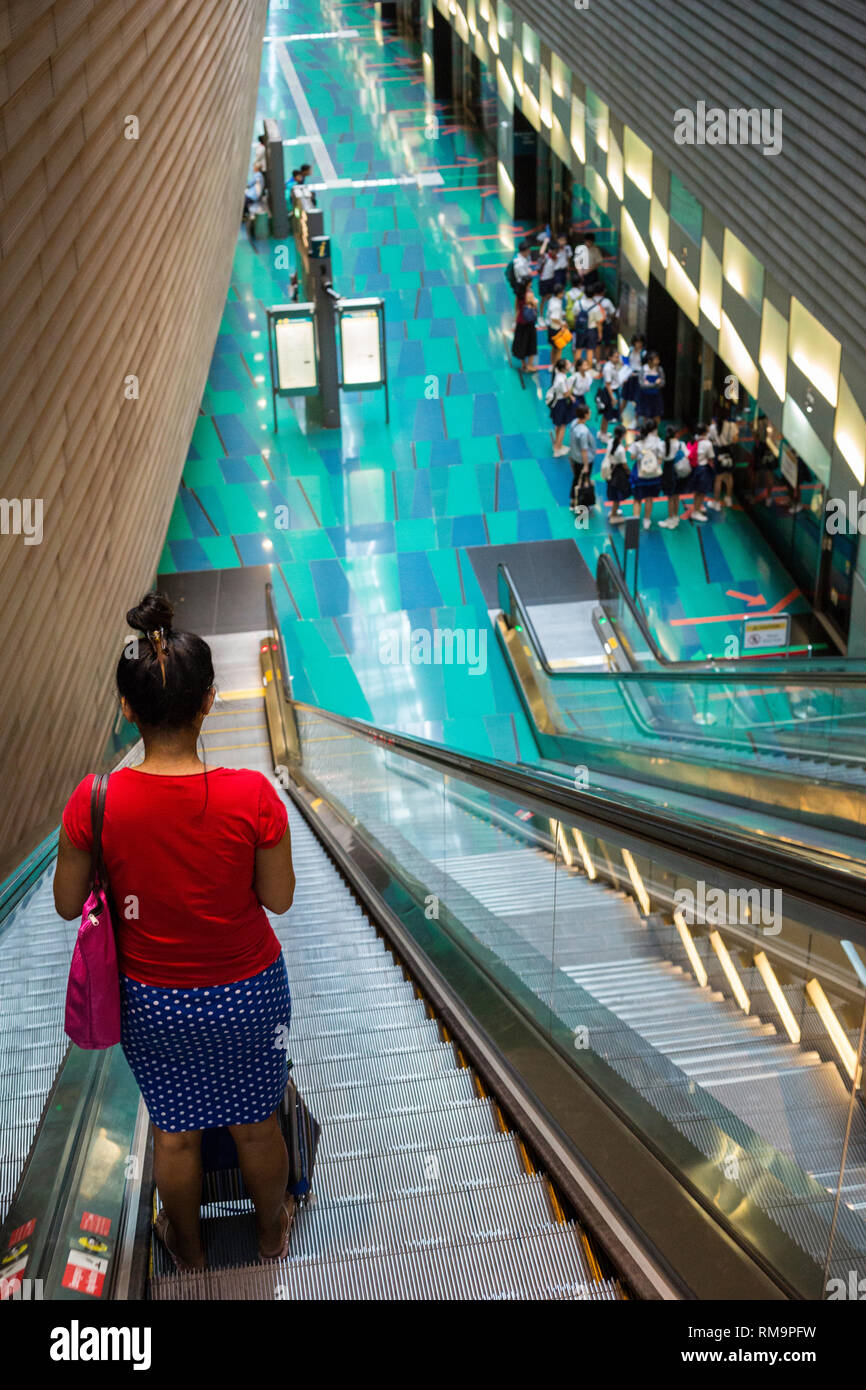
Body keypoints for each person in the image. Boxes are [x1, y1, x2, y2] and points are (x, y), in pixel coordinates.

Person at [53, 593, 296, 1273]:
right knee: (256, 1123)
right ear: (211, 701)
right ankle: (272, 1233)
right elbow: (279, 898)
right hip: (250, 994)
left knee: (176, 1133)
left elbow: (68, 905)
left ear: (126, 709)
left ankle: (187, 1251)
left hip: (154, 1002)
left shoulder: (93, 801)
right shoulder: (252, 796)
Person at [629, 422, 665, 529]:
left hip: (640, 474)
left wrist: (641, 456)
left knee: (637, 499)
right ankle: (647, 520)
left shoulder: (638, 441)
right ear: (653, 429)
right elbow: (660, 458)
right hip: (653, 475)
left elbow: (632, 457)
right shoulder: (658, 441)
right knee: (649, 498)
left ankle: (635, 521)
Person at [659, 426, 689, 529]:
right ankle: (675, 517)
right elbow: (687, 455)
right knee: (676, 495)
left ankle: (670, 519)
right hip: (679, 471)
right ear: (676, 434)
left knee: (670, 496)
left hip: (668, 470)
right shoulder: (681, 444)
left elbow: (660, 458)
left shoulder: (663, 444)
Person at [568, 403, 597, 511]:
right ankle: (582, 504)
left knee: (576, 479)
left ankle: (573, 502)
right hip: (584, 460)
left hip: (575, 457)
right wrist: (586, 465)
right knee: (584, 482)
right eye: (589, 412)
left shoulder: (574, 423)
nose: (591, 413)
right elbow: (584, 450)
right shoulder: (583, 432)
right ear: (585, 415)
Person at [601, 424, 631, 523]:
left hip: (611, 470)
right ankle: (613, 515)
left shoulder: (610, 442)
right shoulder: (621, 450)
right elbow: (624, 464)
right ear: (623, 435)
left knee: (614, 493)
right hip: (619, 473)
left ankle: (613, 511)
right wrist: (629, 473)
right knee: (618, 495)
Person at [546, 358, 575, 457]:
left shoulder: (559, 375)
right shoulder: (561, 379)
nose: (570, 364)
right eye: (568, 363)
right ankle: (557, 449)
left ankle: (557, 444)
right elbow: (565, 393)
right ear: (563, 368)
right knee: (563, 425)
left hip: (558, 402)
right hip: (561, 404)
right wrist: (572, 384)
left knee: (558, 425)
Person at [511, 285, 539, 374]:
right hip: (529, 324)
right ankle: (530, 365)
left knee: (521, 344)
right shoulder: (530, 295)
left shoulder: (518, 295)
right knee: (531, 344)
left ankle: (523, 364)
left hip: (520, 323)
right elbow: (534, 307)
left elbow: (517, 308)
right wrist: (535, 303)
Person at [690, 424, 715, 518]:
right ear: (705, 431)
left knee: (697, 491)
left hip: (695, 468)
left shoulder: (694, 439)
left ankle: (696, 508)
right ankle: (696, 511)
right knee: (702, 492)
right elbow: (711, 458)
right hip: (703, 470)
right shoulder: (707, 443)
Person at [638, 352, 666, 426]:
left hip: (656, 396)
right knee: (646, 415)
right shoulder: (643, 369)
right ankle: (646, 432)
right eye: (656, 360)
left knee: (657, 415)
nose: (658, 361)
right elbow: (642, 385)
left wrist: (649, 384)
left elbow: (662, 383)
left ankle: (655, 432)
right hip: (645, 396)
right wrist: (655, 384)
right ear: (650, 361)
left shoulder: (659, 369)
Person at [546, 282, 569, 368]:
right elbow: (554, 318)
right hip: (556, 329)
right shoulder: (556, 305)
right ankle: (557, 366)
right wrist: (562, 324)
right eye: (562, 292)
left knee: (554, 347)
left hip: (551, 328)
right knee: (559, 348)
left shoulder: (552, 300)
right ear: (559, 293)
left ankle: (552, 364)